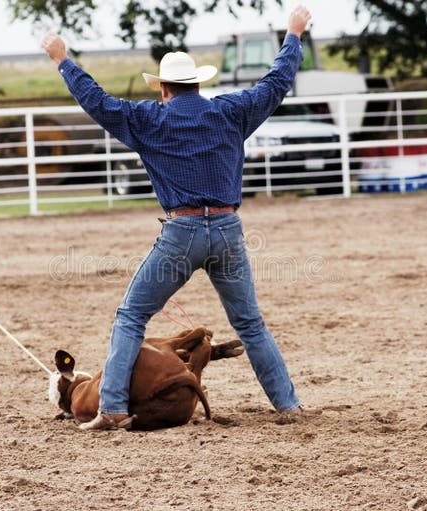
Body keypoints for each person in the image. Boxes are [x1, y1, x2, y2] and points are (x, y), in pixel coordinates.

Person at [41, 5, 311, 430]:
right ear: (196, 84)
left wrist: (62, 59)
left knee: (131, 316)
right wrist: (294, 35)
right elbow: (276, 83)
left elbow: (96, 101)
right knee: (250, 323)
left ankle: (112, 408)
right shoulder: (230, 111)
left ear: (163, 88)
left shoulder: (148, 119)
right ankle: (288, 405)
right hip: (227, 230)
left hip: (181, 233)